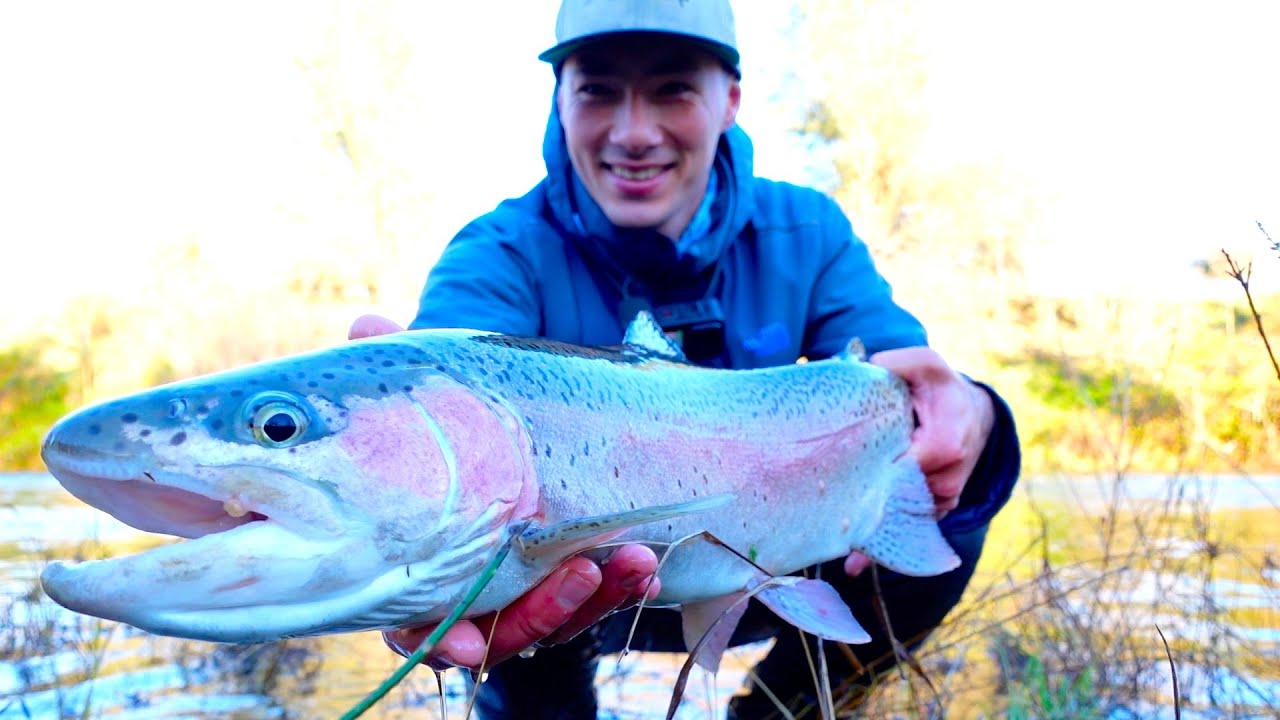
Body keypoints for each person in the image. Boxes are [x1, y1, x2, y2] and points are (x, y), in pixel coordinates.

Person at [351, 0, 1021, 716]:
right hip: (569, 585)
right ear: (559, 100)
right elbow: (445, 412)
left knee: (960, 481)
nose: (633, 133)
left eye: (672, 89)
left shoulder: (808, 231)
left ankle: (778, 712)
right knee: (502, 580)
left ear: (730, 100)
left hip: (773, 558)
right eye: (598, 90)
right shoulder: (497, 253)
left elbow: (902, 383)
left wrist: (971, 417)